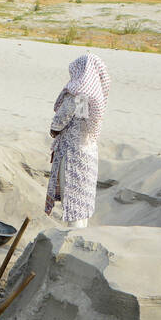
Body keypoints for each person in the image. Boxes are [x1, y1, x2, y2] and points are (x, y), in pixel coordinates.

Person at [45, 52, 111, 229]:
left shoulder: (77, 93)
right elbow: (82, 118)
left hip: (72, 154)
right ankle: (80, 234)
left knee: (72, 196)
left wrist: (54, 130)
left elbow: (62, 118)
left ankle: (73, 240)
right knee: (81, 200)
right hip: (87, 151)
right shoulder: (91, 94)